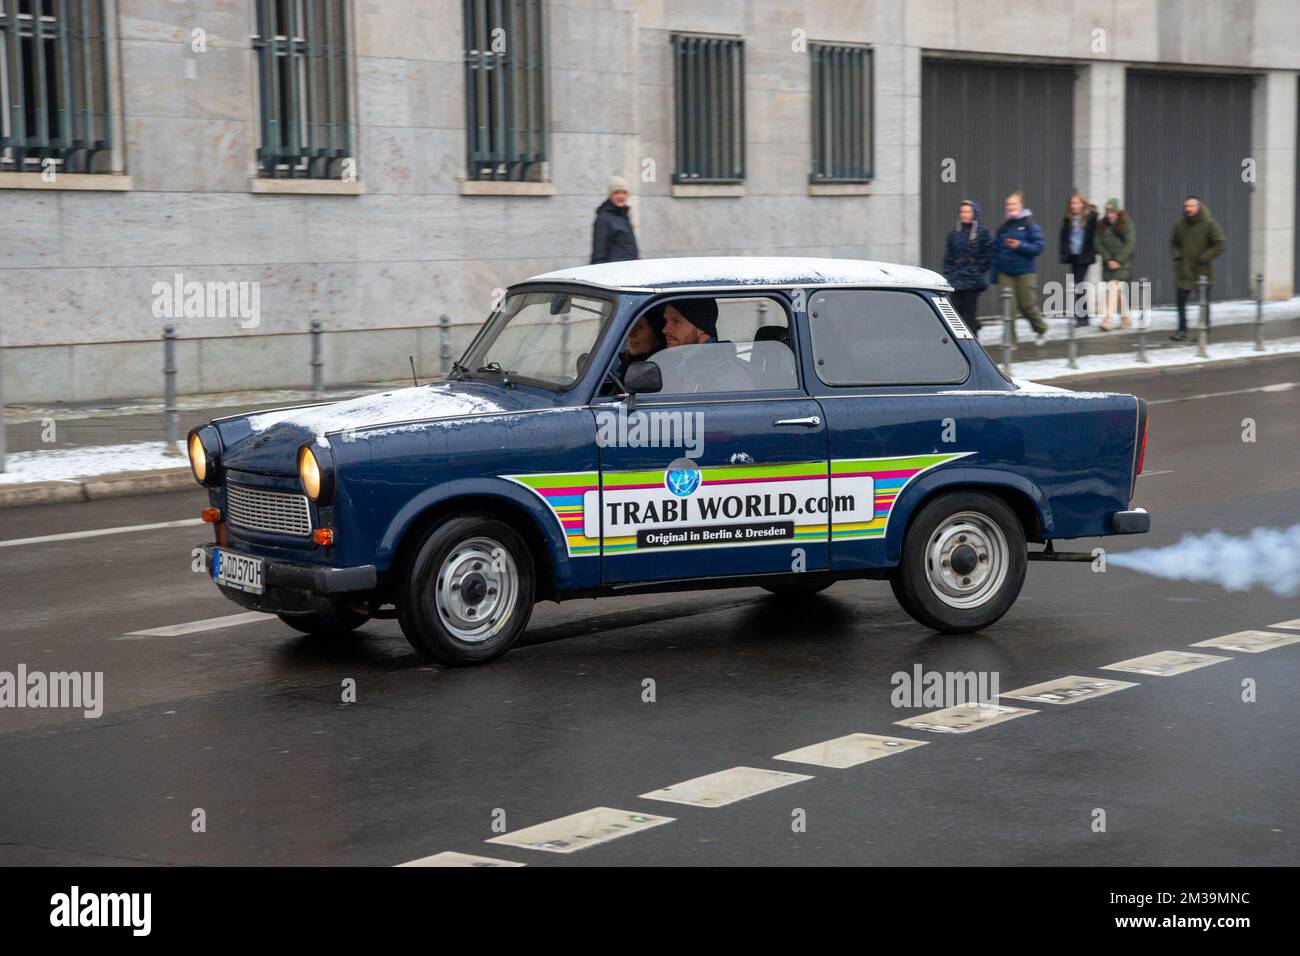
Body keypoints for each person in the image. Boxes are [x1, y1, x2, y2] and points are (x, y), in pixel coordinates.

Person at [654, 298, 752, 393]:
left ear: (701, 329)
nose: (665, 330)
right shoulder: (687, 367)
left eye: (676, 321)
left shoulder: (729, 377)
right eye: (666, 321)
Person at [990, 191, 1048, 346]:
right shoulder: (1003, 227)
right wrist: (994, 275)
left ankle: (1041, 329)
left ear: (1021, 206)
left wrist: (1020, 245)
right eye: (1008, 204)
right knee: (1008, 307)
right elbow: (996, 251)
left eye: (1013, 204)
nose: (1010, 207)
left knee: (1027, 305)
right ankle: (1010, 340)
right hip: (1005, 272)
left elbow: (1039, 246)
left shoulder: (1030, 225)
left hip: (1025, 272)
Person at [1169, 195, 1226, 341]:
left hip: (1202, 271)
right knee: (1180, 302)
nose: (1189, 209)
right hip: (1184, 270)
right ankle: (1182, 330)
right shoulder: (1180, 224)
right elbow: (1173, 242)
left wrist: (1205, 258)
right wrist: (1177, 256)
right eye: (1187, 206)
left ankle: (1204, 332)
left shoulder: (1209, 224)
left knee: (1203, 303)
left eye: (1192, 206)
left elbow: (1220, 244)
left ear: (1198, 206)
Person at [942, 200, 993, 333]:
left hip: (972, 280)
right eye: (962, 212)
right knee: (956, 315)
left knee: (969, 314)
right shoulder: (954, 233)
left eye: (968, 211)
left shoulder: (982, 233)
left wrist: (977, 271)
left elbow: (987, 254)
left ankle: (973, 340)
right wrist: (949, 271)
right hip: (956, 279)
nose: (965, 214)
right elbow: (949, 254)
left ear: (974, 213)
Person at [1058, 192, 1099, 327]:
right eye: (1071, 203)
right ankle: (1083, 316)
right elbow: (1064, 238)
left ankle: (1082, 317)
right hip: (1073, 256)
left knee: (1078, 284)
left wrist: (1093, 250)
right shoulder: (1068, 219)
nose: (1073, 206)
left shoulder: (1089, 218)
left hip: (1084, 256)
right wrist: (1064, 252)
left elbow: (1094, 237)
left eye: (1076, 203)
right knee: (1076, 285)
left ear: (1082, 204)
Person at [1095, 198, 1136, 331]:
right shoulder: (1102, 225)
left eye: (1112, 211)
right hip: (1108, 263)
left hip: (1122, 264)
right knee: (1117, 293)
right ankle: (1126, 319)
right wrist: (1108, 259)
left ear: (1118, 212)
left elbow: (1130, 245)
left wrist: (1118, 260)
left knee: (1113, 287)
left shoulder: (1126, 224)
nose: (1109, 214)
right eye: (1107, 211)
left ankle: (1107, 319)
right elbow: (1098, 244)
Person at [591, 175, 639, 265]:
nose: (621, 196)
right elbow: (598, 254)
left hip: (630, 271)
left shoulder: (624, 215)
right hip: (614, 273)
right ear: (610, 195)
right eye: (616, 193)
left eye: (624, 192)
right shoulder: (603, 218)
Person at [618, 306, 666, 378]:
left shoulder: (656, 373)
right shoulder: (626, 363)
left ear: (657, 335)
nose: (631, 333)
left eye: (640, 327)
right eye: (631, 326)